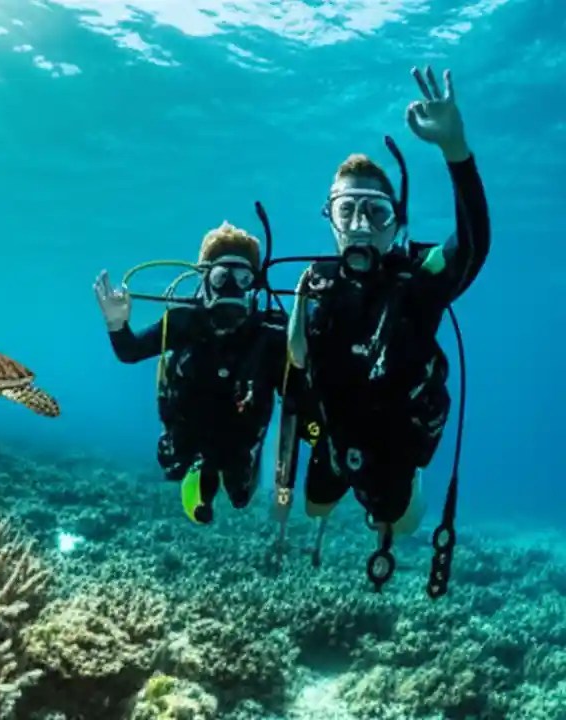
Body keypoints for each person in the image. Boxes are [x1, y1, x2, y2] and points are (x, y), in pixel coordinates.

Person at [284, 65, 490, 571]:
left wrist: (455, 151)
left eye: (375, 213)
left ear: (396, 223)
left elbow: (472, 246)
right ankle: (328, 517)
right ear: (329, 219)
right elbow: (294, 358)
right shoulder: (314, 284)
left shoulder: (417, 277)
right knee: (315, 503)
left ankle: (391, 512)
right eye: (346, 210)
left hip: (395, 447)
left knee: (397, 519)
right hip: (333, 438)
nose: (359, 225)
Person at [94, 221, 291, 524]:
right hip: (189, 432)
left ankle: (227, 477)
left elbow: (295, 389)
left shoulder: (269, 333)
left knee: (240, 496)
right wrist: (116, 324)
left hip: (241, 435)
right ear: (204, 278)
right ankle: (200, 476)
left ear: (254, 283)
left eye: (241, 278)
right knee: (180, 470)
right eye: (222, 276)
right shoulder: (182, 322)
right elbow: (130, 352)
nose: (230, 287)